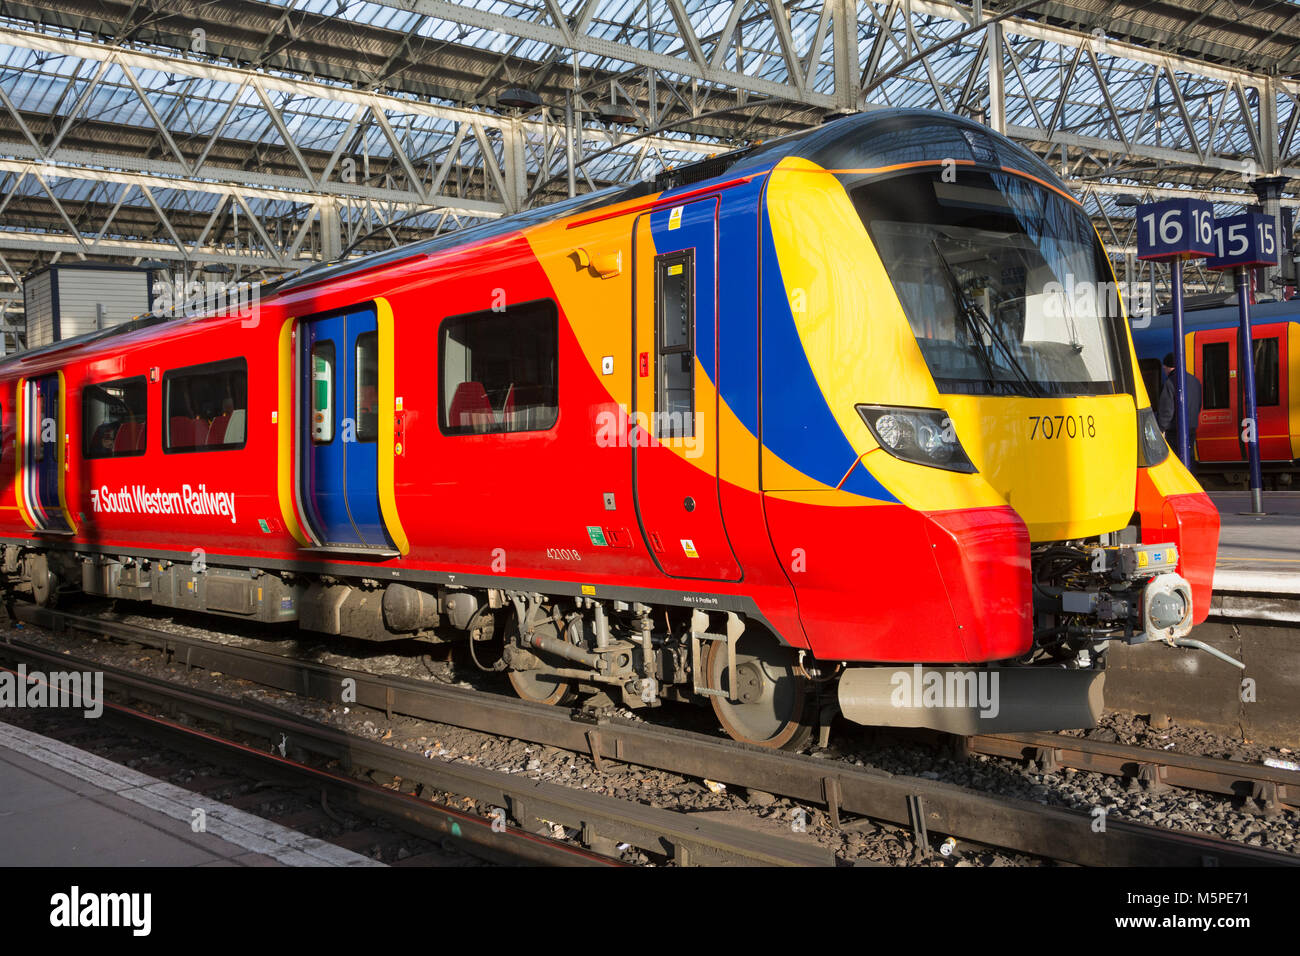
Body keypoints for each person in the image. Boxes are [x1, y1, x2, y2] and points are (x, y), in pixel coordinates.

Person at [1156, 352, 1202, 458]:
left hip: (1175, 431)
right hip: (1191, 427)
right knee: (1188, 458)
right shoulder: (1195, 381)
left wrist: (1160, 428)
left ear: (1167, 367)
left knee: (1177, 460)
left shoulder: (1170, 383)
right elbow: (1199, 404)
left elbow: (1166, 411)